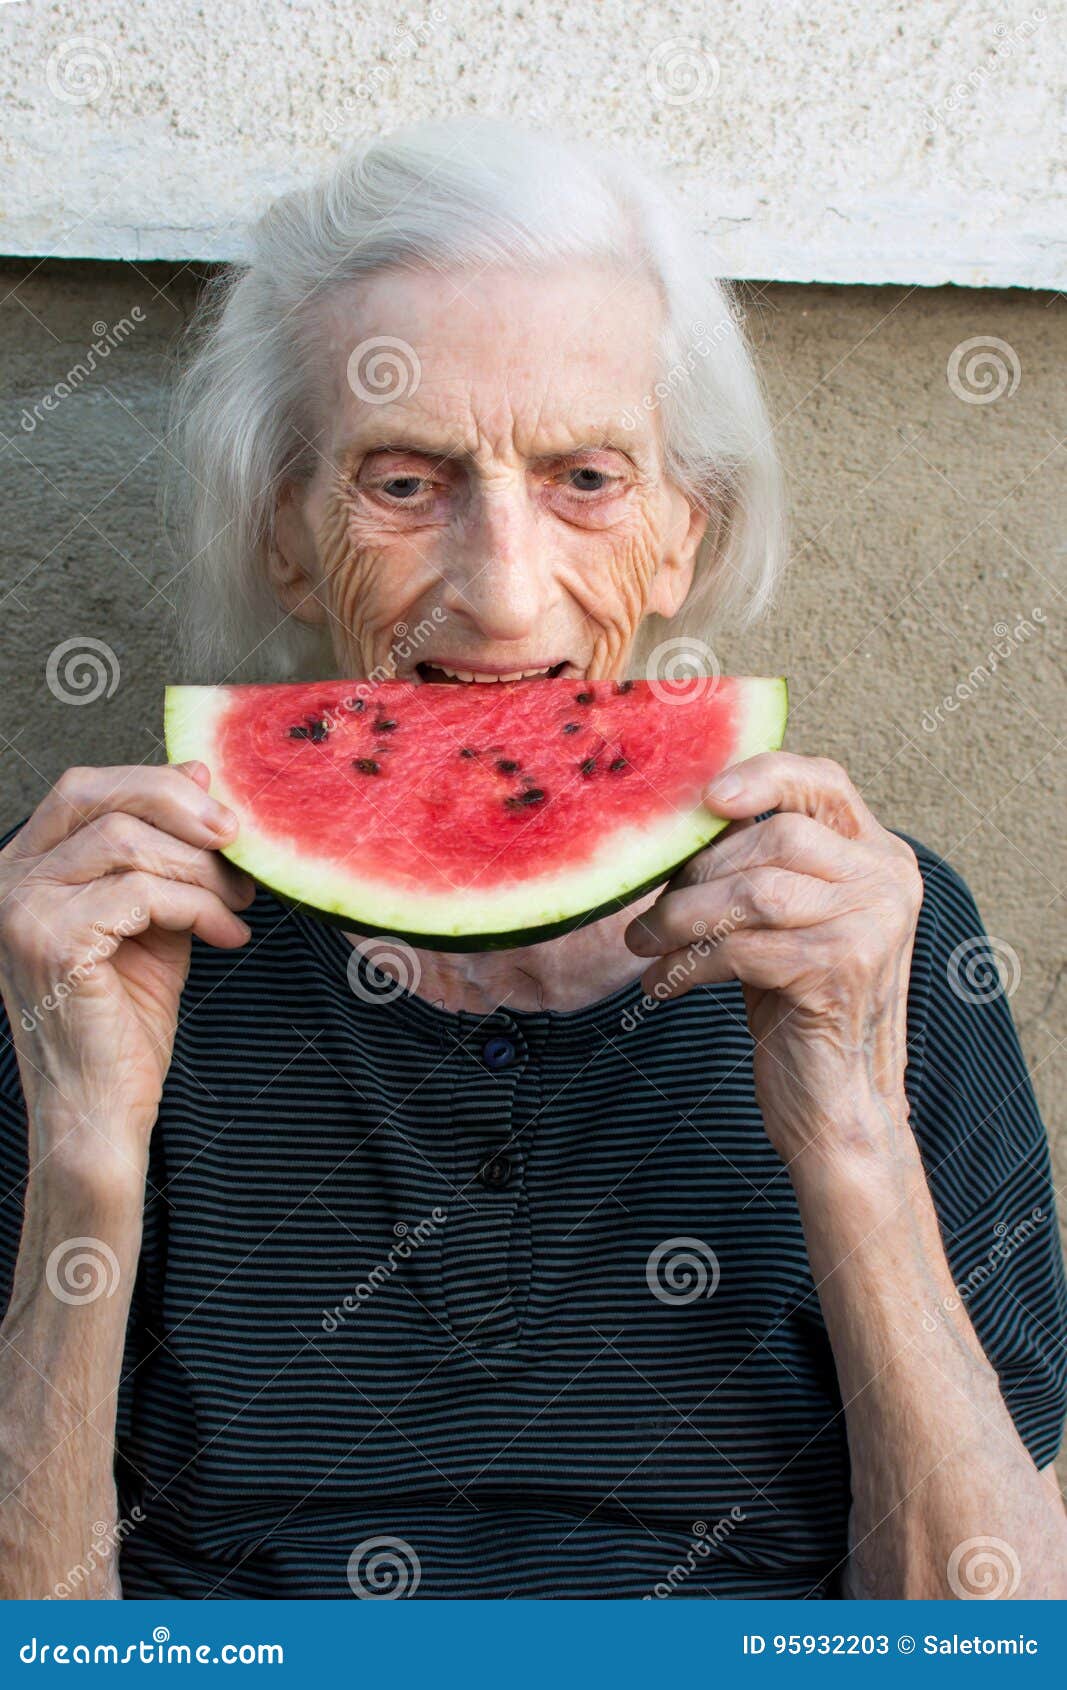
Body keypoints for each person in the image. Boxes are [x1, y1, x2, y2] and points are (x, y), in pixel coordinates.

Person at [1, 119, 1064, 1600]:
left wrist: (855, 1143)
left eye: (585, 477)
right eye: (405, 481)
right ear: (286, 536)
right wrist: (86, 1155)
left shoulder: (877, 930)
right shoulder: (87, 937)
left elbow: (979, 1635)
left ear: (687, 529)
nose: (503, 591)